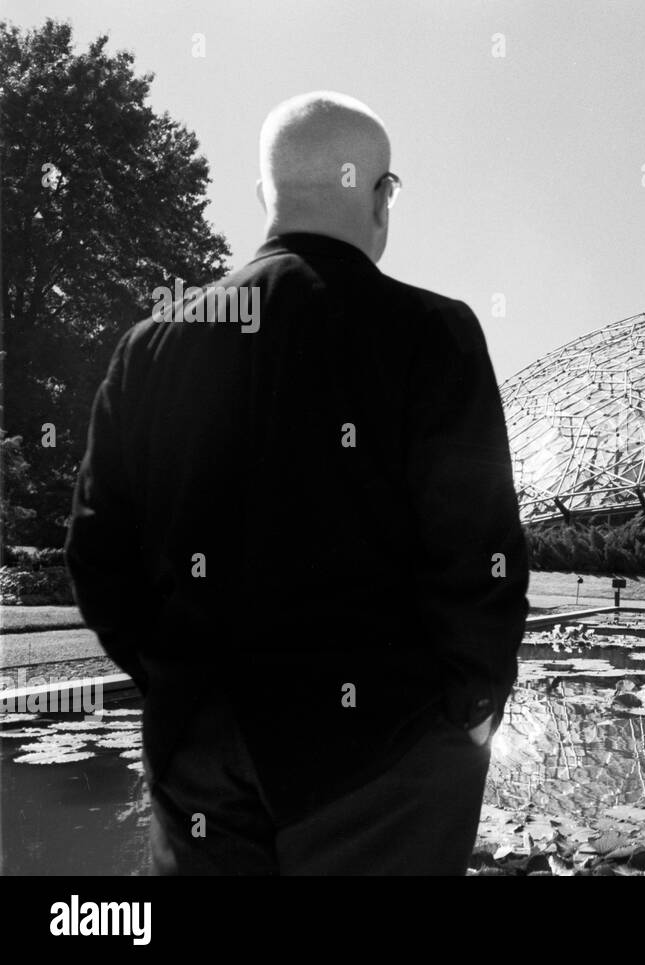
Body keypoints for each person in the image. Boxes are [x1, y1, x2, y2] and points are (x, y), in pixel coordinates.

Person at [65, 92, 529, 875]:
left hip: (201, 755)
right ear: (382, 197)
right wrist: (474, 709)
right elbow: (478, 550)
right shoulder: (436, 334)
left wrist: (178, 679)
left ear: (264, 199)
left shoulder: (152, 346)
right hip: (386, 756)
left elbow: (97, 553)